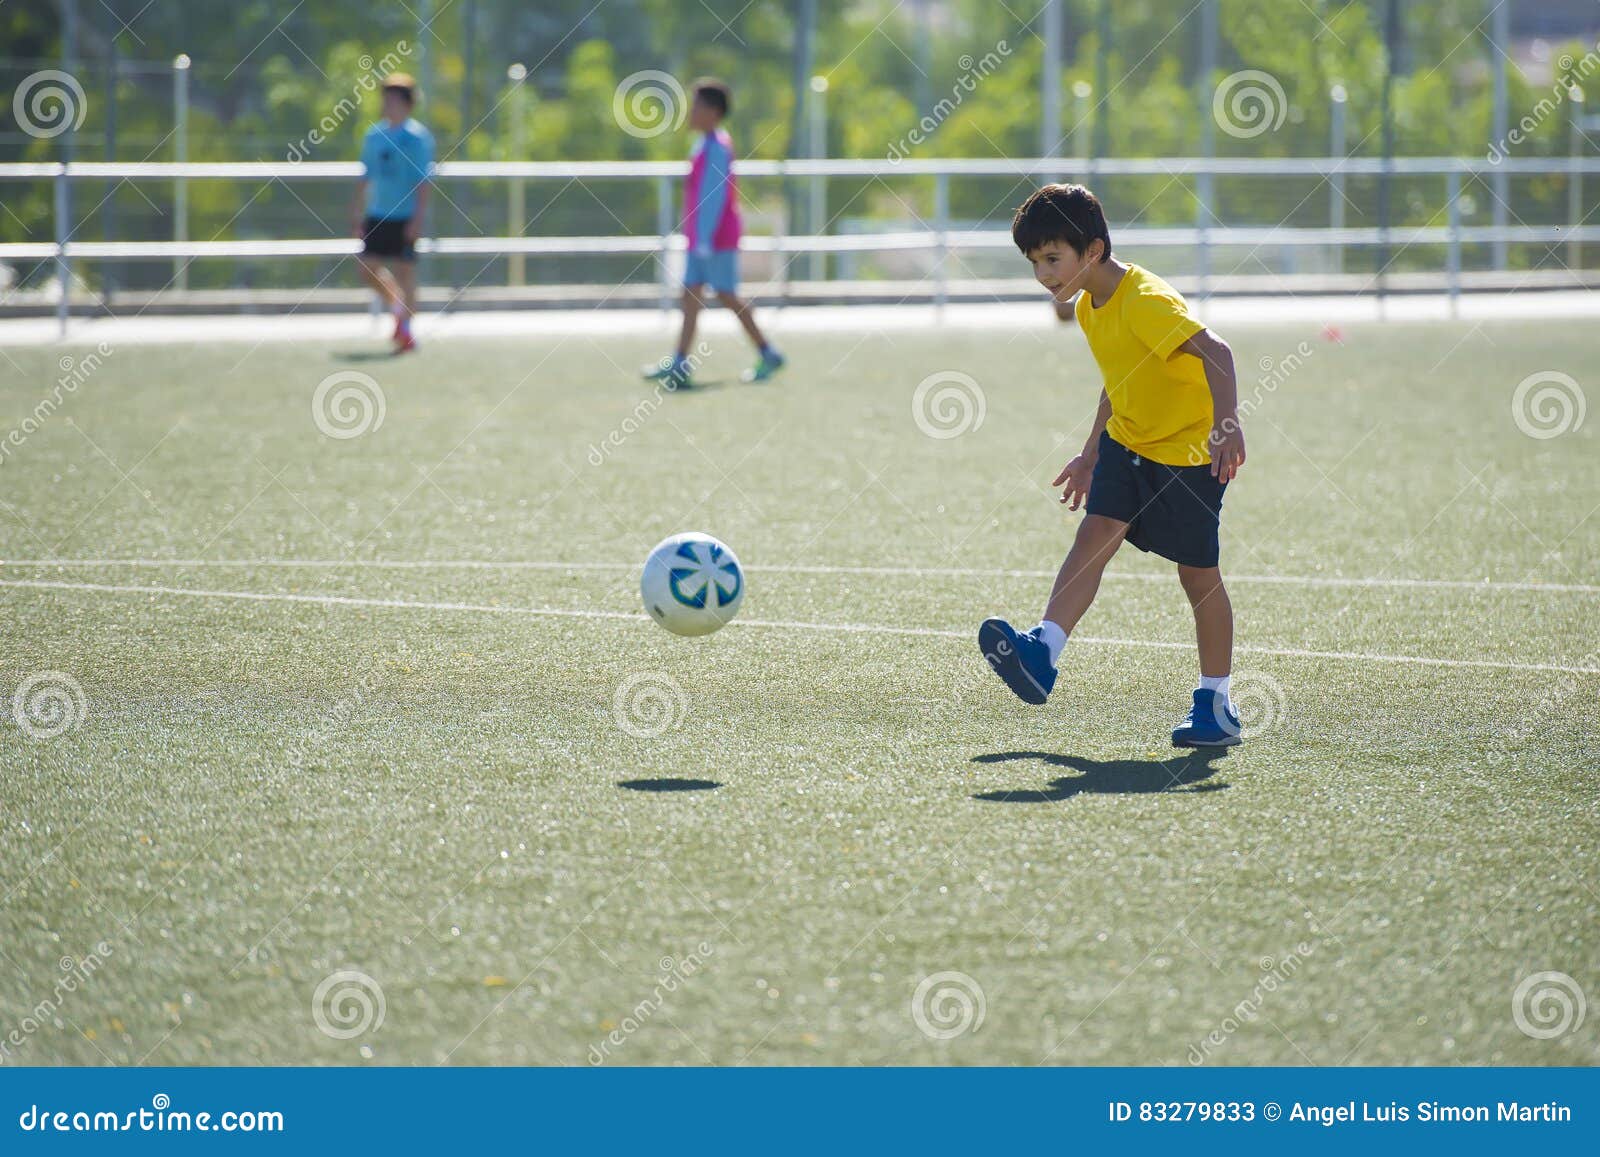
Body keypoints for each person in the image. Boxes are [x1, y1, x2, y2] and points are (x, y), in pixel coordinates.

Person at [978, 184, 1247, 747]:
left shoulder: (1145, 300)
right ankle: (1043, 652)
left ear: (1092, 250)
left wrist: (1227, 427)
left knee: (1197, 576)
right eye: (1034, 263)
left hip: (1187, 456)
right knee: (1095, 533)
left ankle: (1216, 703)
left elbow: (1218, 354)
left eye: (1053, 259)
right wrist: (1091, 453)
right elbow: (1119, 378)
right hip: (1129, 444)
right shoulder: (1086, 305)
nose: (1044, 274)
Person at [642, 78, 783, 389]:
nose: (691, 112)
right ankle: (679, 362)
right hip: (701, 238)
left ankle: (767, 351)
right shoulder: (704, 143)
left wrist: (704, 237)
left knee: (727, 295)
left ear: (713, 111)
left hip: (715, 238)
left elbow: (714, 196)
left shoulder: (717, 147)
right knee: (690, 294)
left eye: (697, 106)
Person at [351, 74, 433, 353]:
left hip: (405, 215)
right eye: (386, 99)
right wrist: (357, 212)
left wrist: (417, 219)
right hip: (378, 213)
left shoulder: (417, 138)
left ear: (408, 104)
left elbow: (423, 182)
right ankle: (397, 307)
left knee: (405, 271)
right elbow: (365, 177)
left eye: (396, 99)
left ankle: (407, 330)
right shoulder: (374, 135)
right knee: (366, 268)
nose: (389, 104)